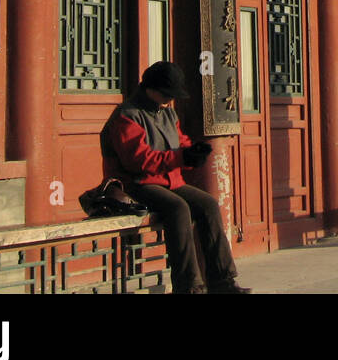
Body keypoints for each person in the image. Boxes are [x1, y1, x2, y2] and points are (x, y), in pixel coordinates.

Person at [101, 61, 250, 294]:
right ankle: (189, 287)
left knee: (208, 204)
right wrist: (181, 158)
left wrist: (192, 152)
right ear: (150, 88)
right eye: (166, 94)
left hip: (169, 181)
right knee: (178, 208)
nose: (170, 100)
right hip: (137, 184)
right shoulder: (127, 116)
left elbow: (179, 141)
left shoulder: (167, 113)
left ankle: (223, 282)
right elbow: (139, 162)